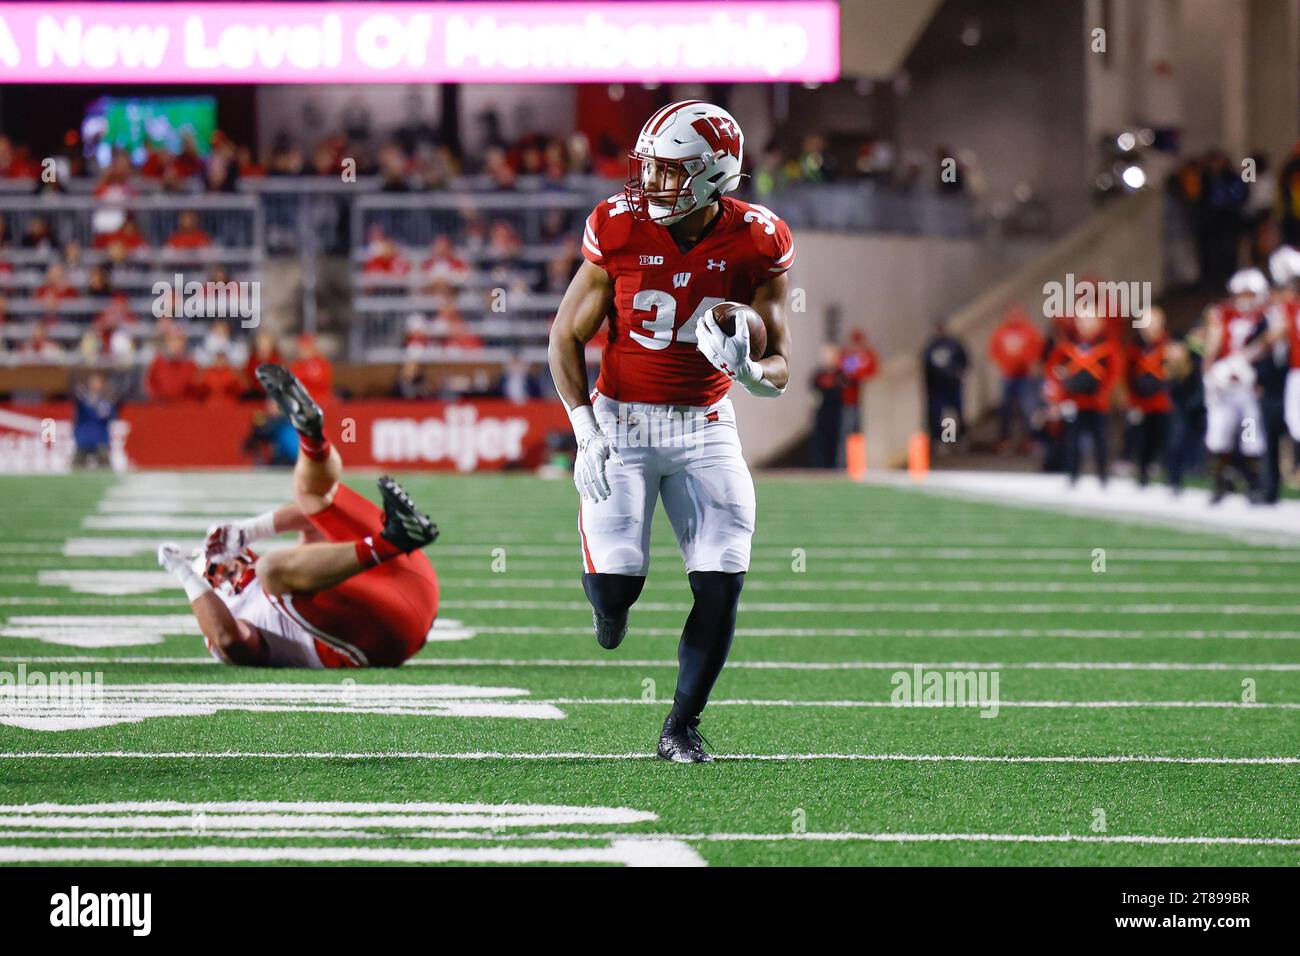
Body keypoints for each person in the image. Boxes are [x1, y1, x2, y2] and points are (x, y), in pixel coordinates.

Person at [547, 101, 794, 763]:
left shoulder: (759, 238)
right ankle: (607, 610)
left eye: (671, 170)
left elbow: (781, 365)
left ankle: (680, 726)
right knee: (616, 586)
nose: (652, 181)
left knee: (722, 577)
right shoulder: (618, 227)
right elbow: (565, 335)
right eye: (650, 166)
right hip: (621, 422)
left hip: (705, 424)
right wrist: (584, 429)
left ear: (716, 176)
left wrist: (750, 371)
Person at [157, 365, 440, 667]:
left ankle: (312, 437)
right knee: (271, 570)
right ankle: (392, 540)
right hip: (379, 639)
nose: (227, 569)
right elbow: (228, 639)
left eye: (225, 561)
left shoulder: (299, 562)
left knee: (309, 498)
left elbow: (309, 517)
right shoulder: (235, 613)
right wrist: (185, 574)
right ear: (210, 592)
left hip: (409, 577)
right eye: (215, 574)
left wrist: (246, 531)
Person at [1202, 268, 1270, 503]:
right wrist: (1210, 371)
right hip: (1224, 389)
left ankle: (1254, 486)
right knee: (1218, 436)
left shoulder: (1266, 317)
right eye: (1241, 293)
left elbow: (1267, 346)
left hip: (1247, 390)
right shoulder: (1223, 314)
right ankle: (1220, 485)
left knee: (1251, 437)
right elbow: (1213, 344)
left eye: (1249, 294)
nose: (1244, 298)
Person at [1045, 304, 1119, 486]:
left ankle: (1103, 476)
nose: (1086, 324)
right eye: (1082, 319)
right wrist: (1058, 397)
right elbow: (1052, 372)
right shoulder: (1066, 347)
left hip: (1096, 403)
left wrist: (1103, 392)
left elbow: (1113, 372)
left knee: (1101, 440)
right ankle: (1072, 475)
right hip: (1074, 402)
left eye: (1090, 319)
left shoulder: (1107, 347)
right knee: (1072, 441)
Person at [1124, 308, 1174, 487]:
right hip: (1142, 402)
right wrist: (1132, 401)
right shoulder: (1135, 349)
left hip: (1163, 402)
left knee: (1168, 440)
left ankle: (1172, 478)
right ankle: (1143, 475)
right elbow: (1128, 376)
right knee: (1143, 441)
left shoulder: (1168, 346)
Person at [989, 305, 1043, 453]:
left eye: (1017, 314)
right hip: (1008, 376)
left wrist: (1032, 365)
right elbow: (995, 352)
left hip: (1025, 377)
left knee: (1027, 409)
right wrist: (1003, 365)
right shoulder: (1001, 332)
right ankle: (1004, 439)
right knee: (1005, 409)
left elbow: (1037, 351)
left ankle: (1029, 440)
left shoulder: (1029, 331)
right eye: (1011, 314)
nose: (1014, 318)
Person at [922, 320, 968, 448]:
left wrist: (960, 372)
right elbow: (926, 367)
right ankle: (942, 440)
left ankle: (952, 439)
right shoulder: (931, 347)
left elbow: (964, 360)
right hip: (937, 387)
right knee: (938, 414)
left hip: (952, 385)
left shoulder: (953, 345)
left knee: (952, 414)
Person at [71, 371, 117, 470]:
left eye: (97, 382)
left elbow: (112, 416)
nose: (95, 385)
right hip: (84, 439)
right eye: (93, 382)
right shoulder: (83, 399)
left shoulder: (106, 401)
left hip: (100, 439)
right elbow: (79, 410)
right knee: (76, 468)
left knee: (105, 468)